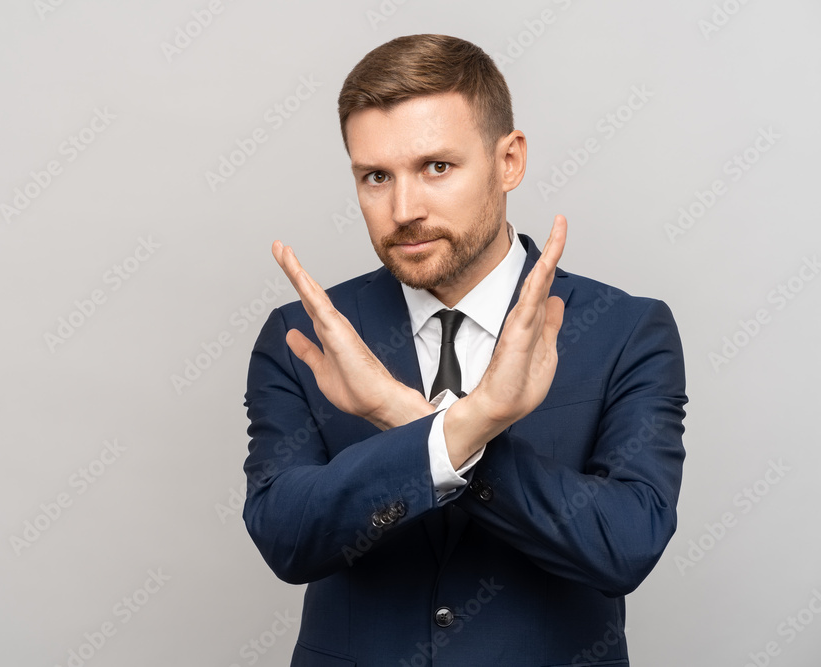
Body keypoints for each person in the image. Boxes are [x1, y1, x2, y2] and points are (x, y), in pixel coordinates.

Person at [242, 34, 686, 666]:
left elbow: (624, 543)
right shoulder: (308, 337)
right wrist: (464, 427)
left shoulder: (626, 331)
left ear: (509, 161)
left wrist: (406, 422)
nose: (403, 209)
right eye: (375, 177)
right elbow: (286, 538)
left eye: (437, 168)